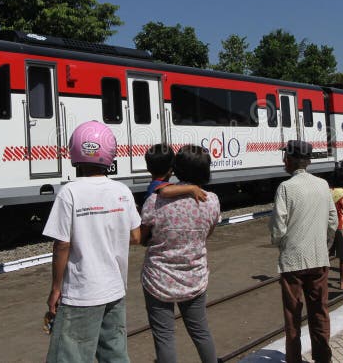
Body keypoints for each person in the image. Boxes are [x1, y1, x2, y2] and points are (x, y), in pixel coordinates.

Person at [43, 121, 142, 363]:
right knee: (115, 355)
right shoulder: (122, 191)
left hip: (81, 293)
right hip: (114, 290)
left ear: (74, 153)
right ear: (110, 154)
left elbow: (62, 245)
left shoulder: (70, 193)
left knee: (70, 356)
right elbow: (136, 237)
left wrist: (56, 289)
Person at [140, 145, 220, 363]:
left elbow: (142, 238)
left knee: (164, 337)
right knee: (201, 332)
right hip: (194, 278)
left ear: (176, 169)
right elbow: (207, 234)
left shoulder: (154, 201)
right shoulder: (211, 201)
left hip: (158, 280)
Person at [270, 140, 337, 363]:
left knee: (293, 316)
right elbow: (332, 221)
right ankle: (322, 357)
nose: (283, 162)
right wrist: (323, 244)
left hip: (292, 262)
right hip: (319, 258)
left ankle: (294, 359)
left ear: (289, 160)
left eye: (285, 158)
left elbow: (278, 227)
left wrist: (279, 243)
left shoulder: (286, 188)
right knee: (320, 311)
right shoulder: (322, 184)